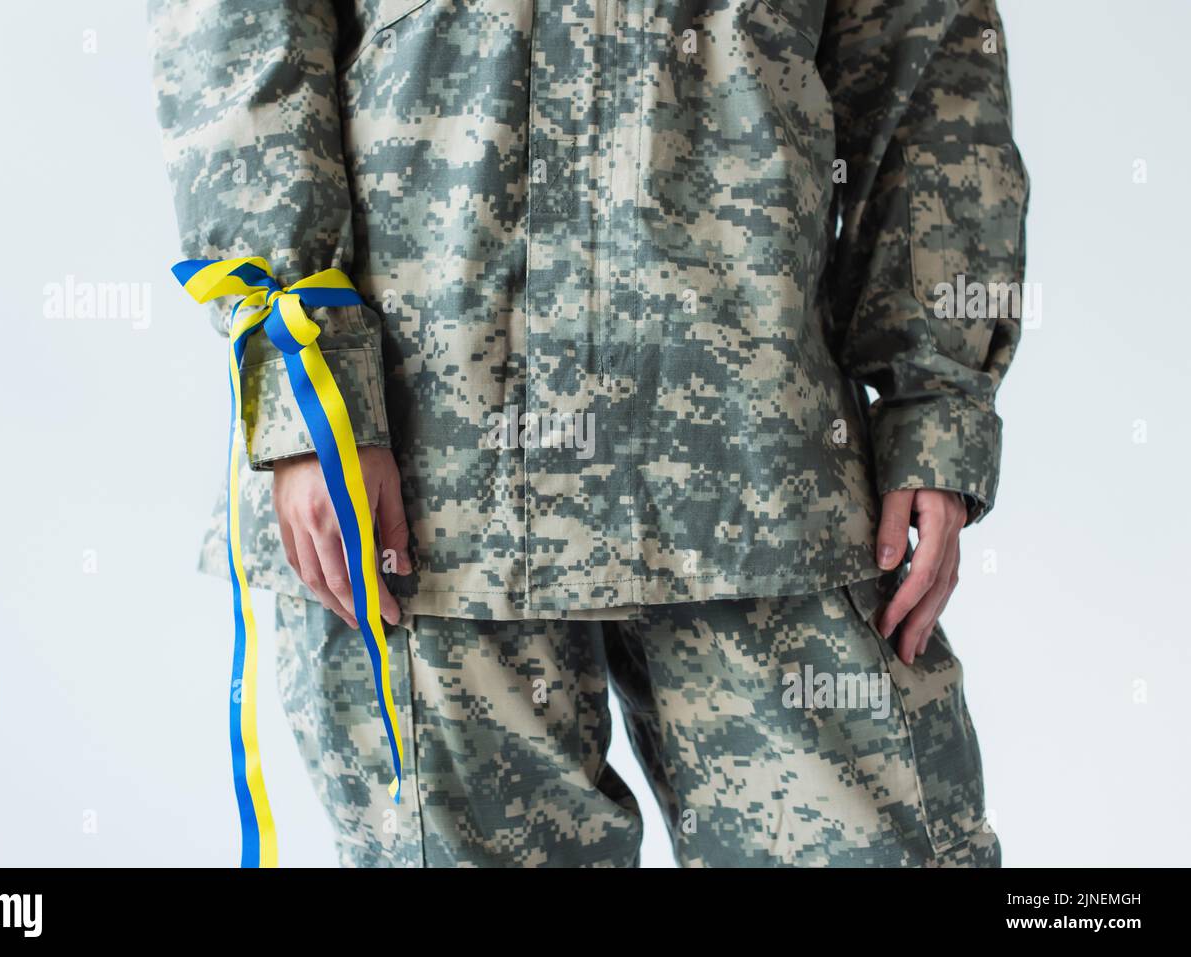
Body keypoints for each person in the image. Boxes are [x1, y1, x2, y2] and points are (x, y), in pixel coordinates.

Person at [149, 0, 1027, 867]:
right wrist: (309, 386)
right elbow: (241, 26)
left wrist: (936, 396)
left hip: (758, 461)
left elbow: (930, 53)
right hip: (426, 473)